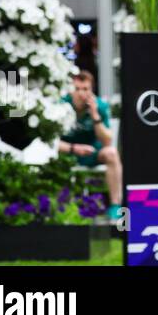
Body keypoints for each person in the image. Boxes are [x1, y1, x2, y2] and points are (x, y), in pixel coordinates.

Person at [56, 70, 122, 222]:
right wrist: (73, 148)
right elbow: (51, 142)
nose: (81, 93)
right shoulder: (61, 105)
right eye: (77, 89)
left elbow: (107, 142)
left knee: (111, 152)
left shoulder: (100, 106)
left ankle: (115, 206)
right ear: (71, 90)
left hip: (93, 154)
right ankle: (61, 207)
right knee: (50, 154)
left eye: (85, 89)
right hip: (68, 154)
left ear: (91, 90)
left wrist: (95, 117)